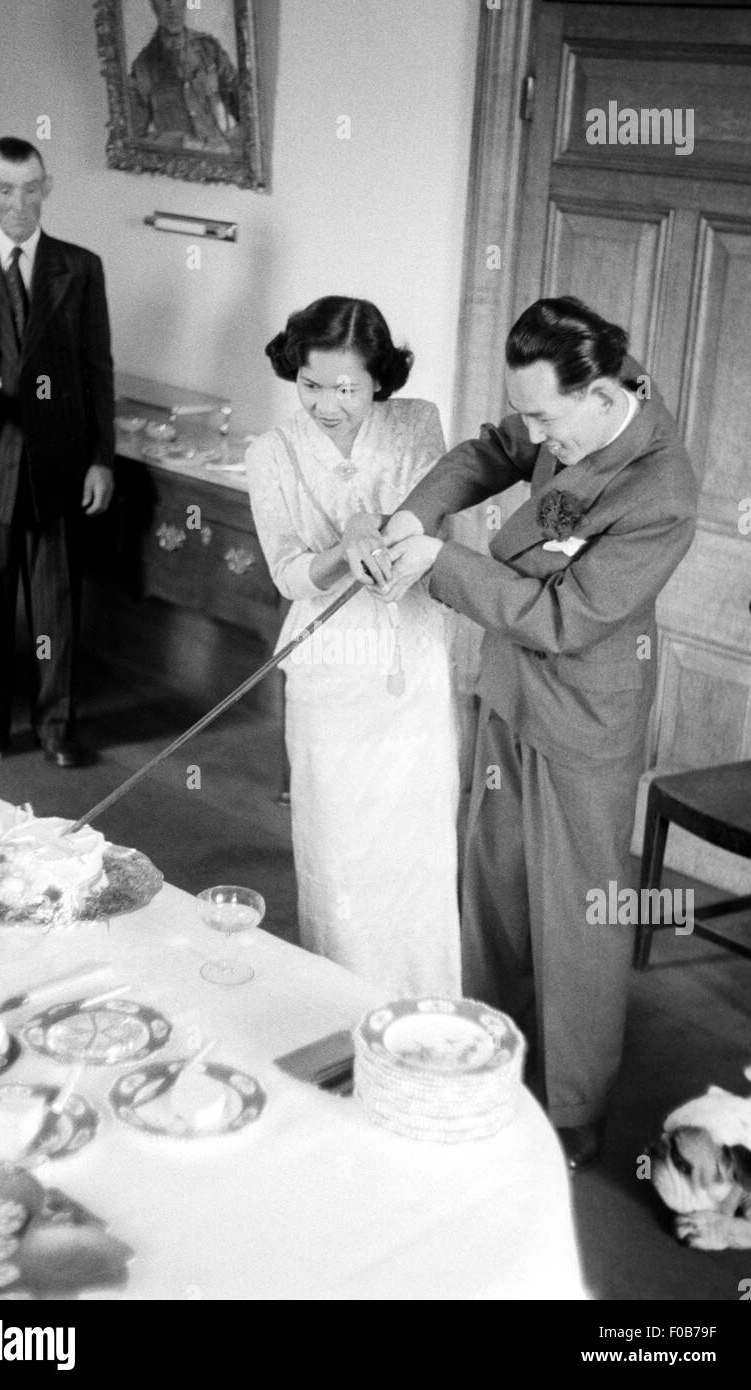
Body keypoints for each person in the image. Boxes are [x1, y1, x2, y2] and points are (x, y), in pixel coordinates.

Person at [373, 297, 698, 1168]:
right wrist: (415, 515)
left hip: (584, 711)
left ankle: (576, 1107)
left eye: (546, 416)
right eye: (527, 411)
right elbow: (491, 450)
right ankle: (490, 1055)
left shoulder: (660, 489)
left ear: (602, 395)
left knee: (581, 915)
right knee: (493, 886)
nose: (534, 434)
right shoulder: (566, 417)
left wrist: (441, 562)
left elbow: (566, 619)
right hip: (511, 687)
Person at [246, 296, 460, 996]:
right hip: (330, 670)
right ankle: (344, 1008)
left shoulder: (418, 423)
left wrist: (381, 531)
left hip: (414, 662)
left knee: (416, 849)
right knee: (338, 853)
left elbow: (434, 526)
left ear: (378, 379)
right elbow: (287, 571)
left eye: (347, 387)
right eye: (311, 384)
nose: (327, 404)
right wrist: (345, 546)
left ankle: (424, 1010)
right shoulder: (271, 452)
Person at [0, 137, 115, 766]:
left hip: (56, 465)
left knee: (55, 603)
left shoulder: (79, 267)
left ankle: (57, 724)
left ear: (47, 187)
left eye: (31, 188)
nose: (19, 202)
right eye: (5, 189)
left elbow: (96, 370)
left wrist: (101, 459)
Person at [129, 0, 241, 153]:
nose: (172, 5)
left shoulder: (208, 48)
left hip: (220, 158)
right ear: (153, 5)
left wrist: (234, 142)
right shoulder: (144, 67)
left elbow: (245, 105)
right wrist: (178, 143)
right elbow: (134, 137)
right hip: (180, 165)